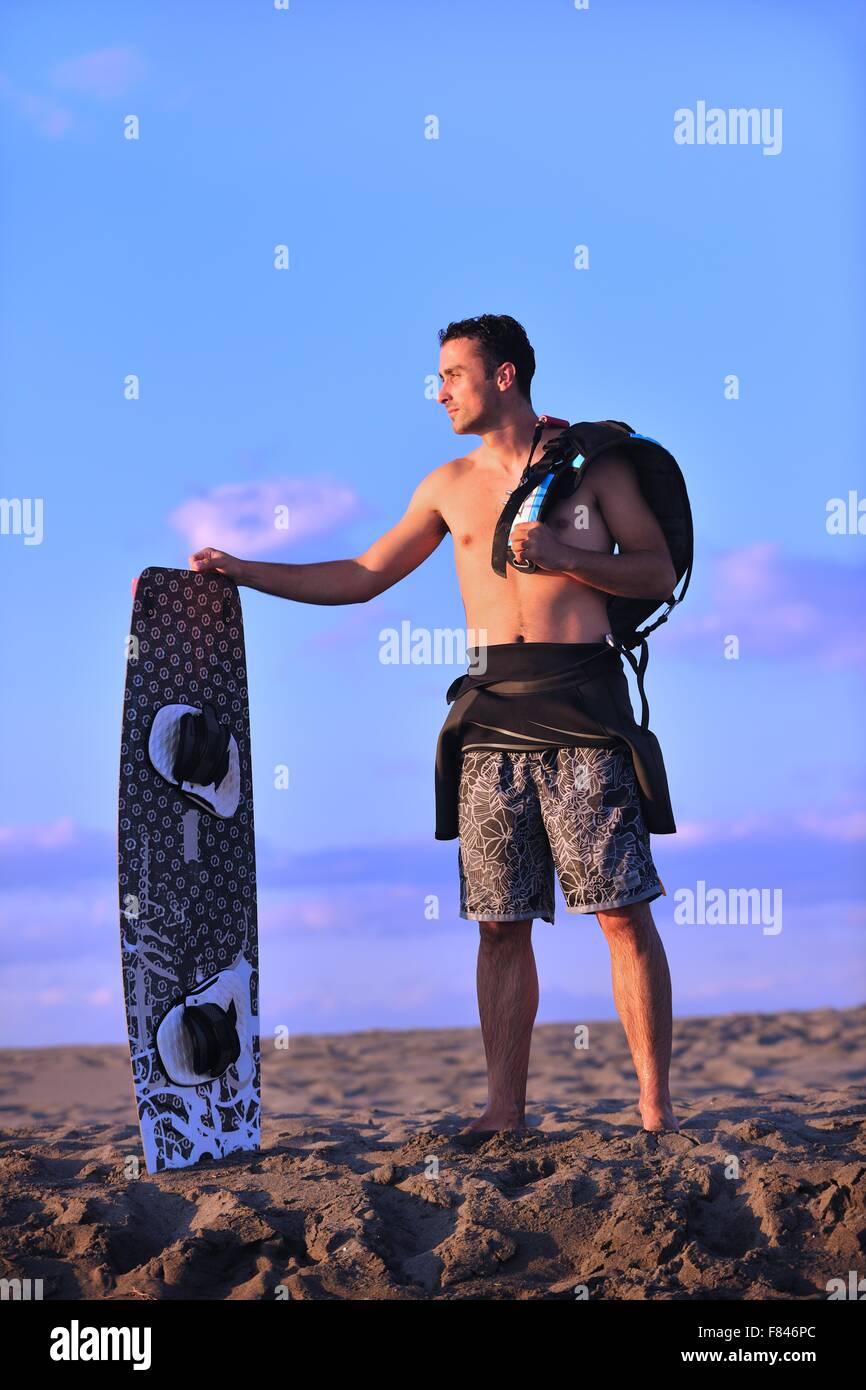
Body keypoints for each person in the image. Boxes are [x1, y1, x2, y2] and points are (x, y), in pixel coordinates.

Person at [190, 313, 679, 1137]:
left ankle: (655, 1107)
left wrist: (565, 558)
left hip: (585, 707)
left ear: (506, 375)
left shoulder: (593, 469)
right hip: (490, 716)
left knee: (621, 910)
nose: (439, 390)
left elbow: (657, 571)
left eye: (453, 373)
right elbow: (363, 574)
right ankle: (503, 1111)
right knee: (498, 922)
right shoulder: (447, 485)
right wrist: (245, 572)